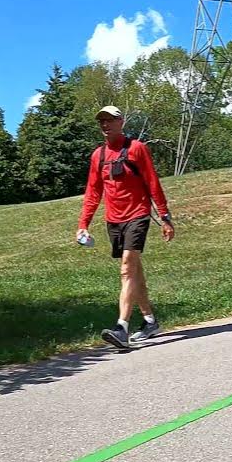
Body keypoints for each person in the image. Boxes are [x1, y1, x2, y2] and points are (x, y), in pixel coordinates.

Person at [76, 106, 175, 349]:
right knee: (134, 271)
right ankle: (150, 321)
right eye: (101, 121)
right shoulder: (98, 155)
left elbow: (152, 183)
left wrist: (164, 216)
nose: (105, 124)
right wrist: (83, 224)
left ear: (121, 122)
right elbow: (93, 192)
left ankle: (121, 327)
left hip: (137, 214)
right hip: (114, 219)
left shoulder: (136, 148)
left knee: (126, 269)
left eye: (110, 120)